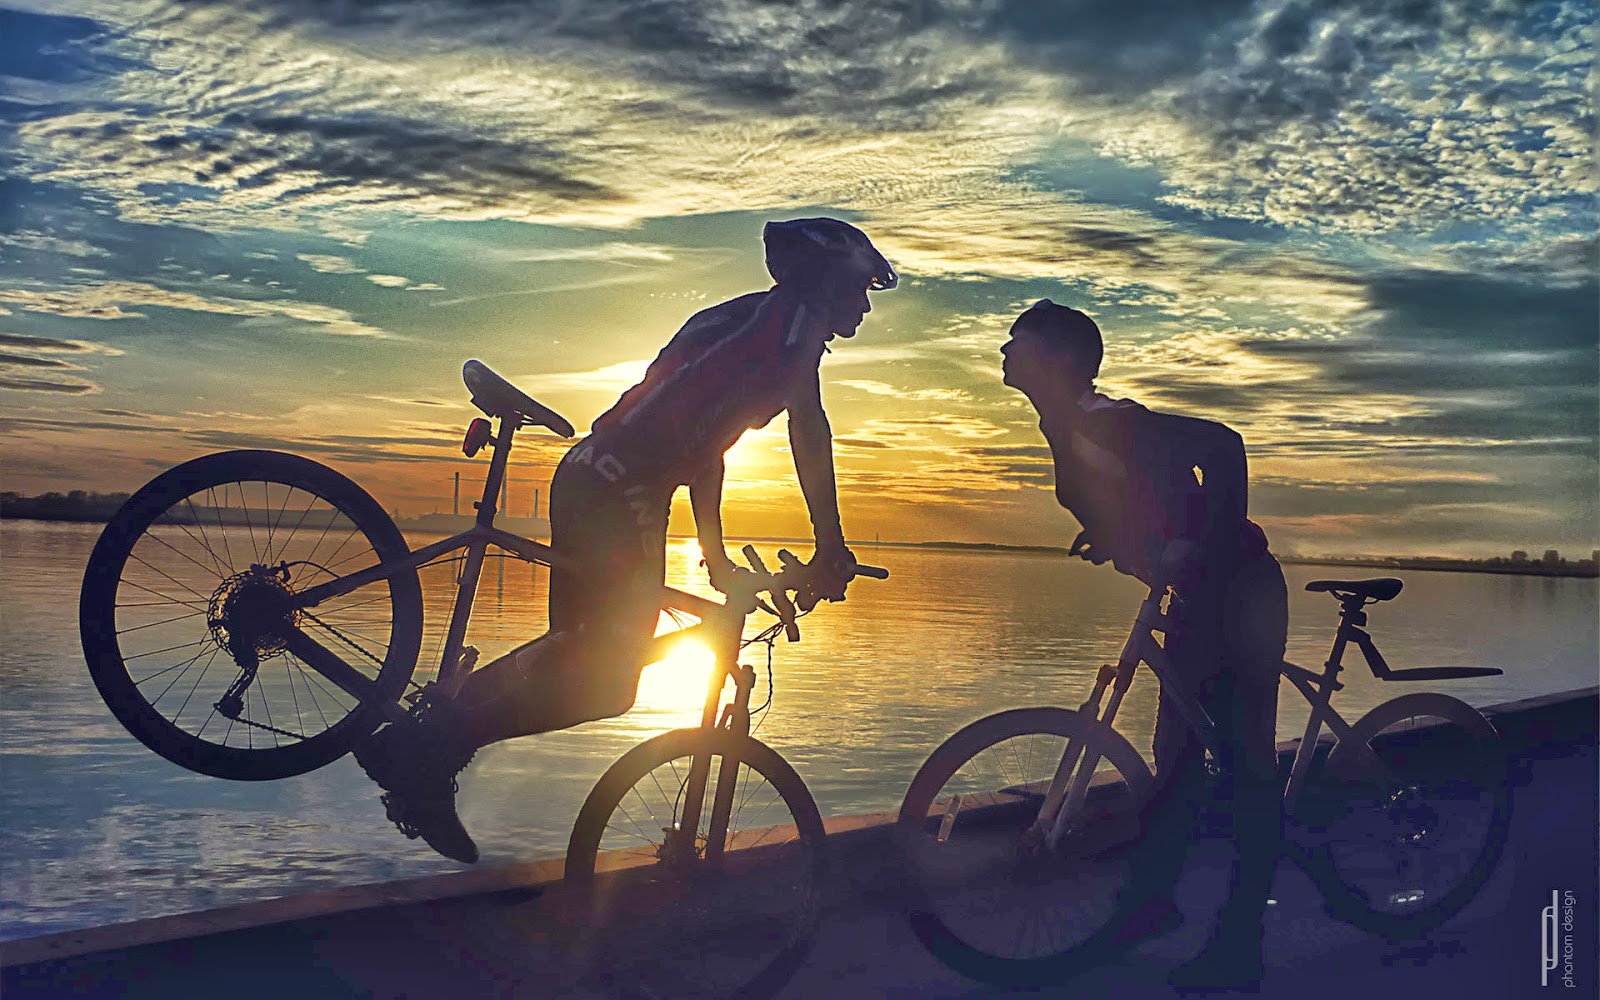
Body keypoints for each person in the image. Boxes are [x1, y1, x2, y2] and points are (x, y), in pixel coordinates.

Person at [355, 218, 897, 864]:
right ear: (825, 283)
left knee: (571, 651)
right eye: (859, 288)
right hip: (623, 491)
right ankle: (434, 747)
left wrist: (716, 555)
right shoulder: (790, 334)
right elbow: (809, 431)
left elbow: (707, 448)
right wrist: (830, 547)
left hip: (588, 473)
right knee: (609, 685)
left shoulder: (746, 323)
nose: (865, 306)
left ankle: (420, 742)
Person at [1000, 299, 1288, 992]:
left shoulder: (1108, 420)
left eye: (1019, 340)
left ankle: (1240, 948)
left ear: (1060, 361)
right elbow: (1145, 500)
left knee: (1245, 769)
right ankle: (1151, 905)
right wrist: (1111, 538)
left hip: (1241, 593)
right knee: (1176, 759)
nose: (1004, 349)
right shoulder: (1064, 427)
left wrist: (1200, 547)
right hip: (1195, 597)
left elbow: (1224, 446)